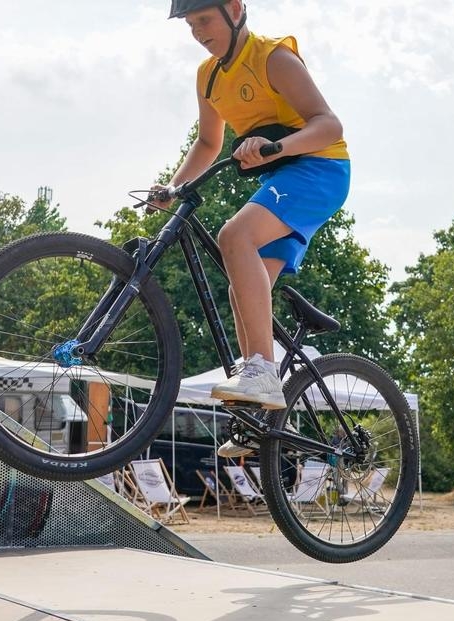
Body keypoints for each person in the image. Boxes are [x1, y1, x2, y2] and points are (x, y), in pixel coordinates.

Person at [156, 1, 350, 457]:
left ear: (234, 9)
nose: (197, 32)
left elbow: (330, 125)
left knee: (234, 236)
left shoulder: (273, 57)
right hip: (283, 177)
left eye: (204, 20)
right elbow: (208, 143)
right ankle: (263, 414)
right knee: (241, 285)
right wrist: (173, 186)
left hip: (319, 169)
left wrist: (277, 147)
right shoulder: (208, 76)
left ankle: (261, 369)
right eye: (190, 25)